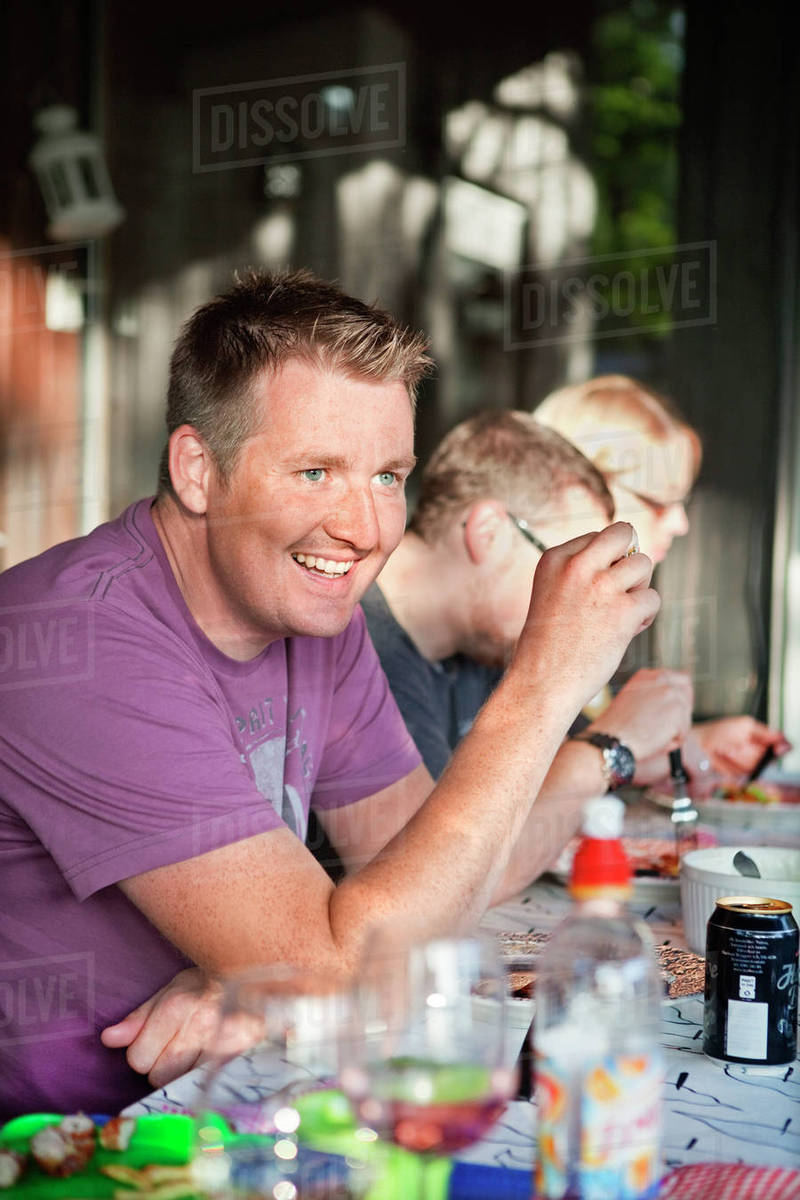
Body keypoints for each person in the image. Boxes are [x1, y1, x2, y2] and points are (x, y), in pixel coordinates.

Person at [0, 271, 672, 1119]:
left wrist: (252, 975)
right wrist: (544, 683)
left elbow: (445, 872)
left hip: (232, 1104)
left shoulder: (315, 616)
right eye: (316, 471)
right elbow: (341, 967)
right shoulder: (82, 641)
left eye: (388, 476)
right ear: (198, 470)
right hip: (66, 1148)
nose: (365, 529)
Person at [361, 408, 692, 787]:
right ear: (488, 532)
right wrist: (613, 745)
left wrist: (685, 743)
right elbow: (456, 829)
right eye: (566, 565)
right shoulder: (360, 651)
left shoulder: (483, 644)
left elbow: (562, 755)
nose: (579, 592)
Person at [534, 374, 791, 780]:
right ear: (578, 491)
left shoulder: (588, 614)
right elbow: (526, 789)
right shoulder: (526, 624)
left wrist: (698, 746)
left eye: (682, 501)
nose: (680, 523)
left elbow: (578, 758)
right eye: (660, 502)